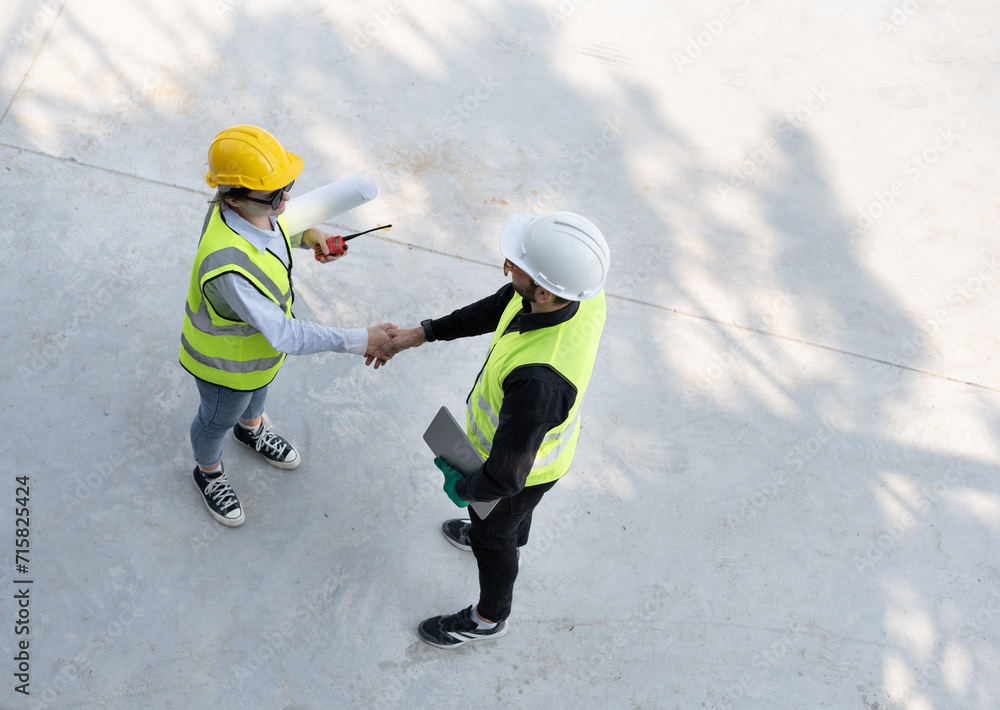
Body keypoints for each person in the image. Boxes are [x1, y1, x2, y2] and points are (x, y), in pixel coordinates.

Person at [373, 211, 610, 647]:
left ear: (542, 289)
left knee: (493, 536)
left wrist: (464, 490)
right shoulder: (576, 294)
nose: (506, 267)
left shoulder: (539, 380)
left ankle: (488, 618)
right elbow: (500, 305)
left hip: (522, 471)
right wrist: (422, 334)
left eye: (512, 265)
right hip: (534, 449)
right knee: (506, 519)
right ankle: (502, 529)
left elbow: (505, 477)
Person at [179, 124, 394, 527]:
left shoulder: (249, 210)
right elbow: (285, 332)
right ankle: (207, 472)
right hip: (224, 368)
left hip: (257, 357)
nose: (287, 198)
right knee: (215, 421)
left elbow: (273, 231)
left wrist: (309, 235)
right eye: (276, 194)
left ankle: (251, 430)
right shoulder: (229, 267)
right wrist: (361, 339)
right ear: (233, 195)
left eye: (288, 185)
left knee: (256, 398)